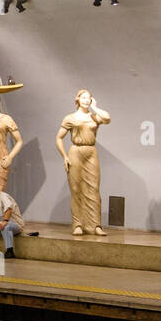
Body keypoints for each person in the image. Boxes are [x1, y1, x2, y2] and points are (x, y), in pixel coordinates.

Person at [56, 88, 111, 236]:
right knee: (76, 189)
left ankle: (96, 225)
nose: (86, 100)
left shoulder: (94, 117)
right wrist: (64, 156)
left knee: (93, 189)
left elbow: (107, 119)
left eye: (89, 98)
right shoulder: (70, 118)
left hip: (91, 152)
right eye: (83, 97)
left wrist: (95, 107)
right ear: (77, 100)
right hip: (75, 152)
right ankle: (78, 225)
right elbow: (59, 137)